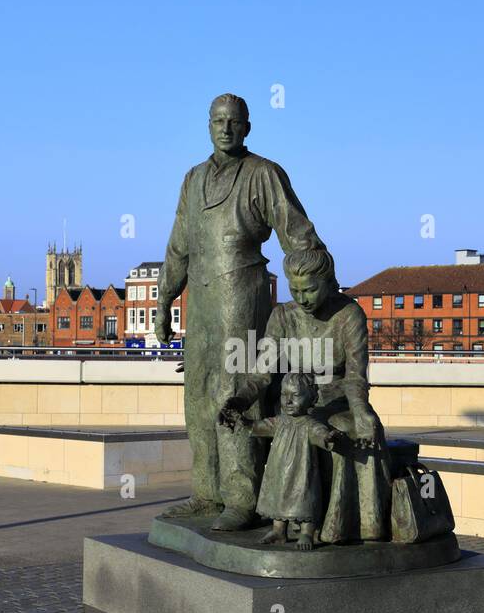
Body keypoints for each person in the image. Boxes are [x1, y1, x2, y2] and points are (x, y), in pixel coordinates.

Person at [156, 93, 329, 531]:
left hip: (243, 296)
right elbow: (180, 247)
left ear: (247, 127)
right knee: (197, 398)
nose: (226, 128)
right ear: (207, 125)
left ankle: (242, 498)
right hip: (203, 306)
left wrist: (320, 290)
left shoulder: (263, 174)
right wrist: (163, 300)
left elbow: (298, 234)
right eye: (218, 121)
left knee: (234, 393)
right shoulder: (192, 180)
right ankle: (206, 492)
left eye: (234, 121)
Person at [219, 250, 392, 544]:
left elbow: (355, 375)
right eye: (295, 290)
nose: (302, 298)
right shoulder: (283, 316)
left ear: (328, 282)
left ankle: (355, 526)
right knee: (301, 429)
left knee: (353, 428)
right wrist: (239, 401)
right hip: (297, 401)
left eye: (310, 289)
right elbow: (262, 373)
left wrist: (361, 411)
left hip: (338, 398)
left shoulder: (349, 315)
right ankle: (290, 519)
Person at [245, 372, 342, 550]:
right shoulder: (279, 421)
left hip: (301, 472)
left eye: (295, 396)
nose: (288, 401)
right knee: (277, 497)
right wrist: (242, 422)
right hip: (278, 471)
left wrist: (329, 437)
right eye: (284, 395)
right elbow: (260, 426)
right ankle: (278, 531)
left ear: (312, 399)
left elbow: (321, 434)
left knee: (304, 498)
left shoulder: (310, 424)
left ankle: (307, 532)